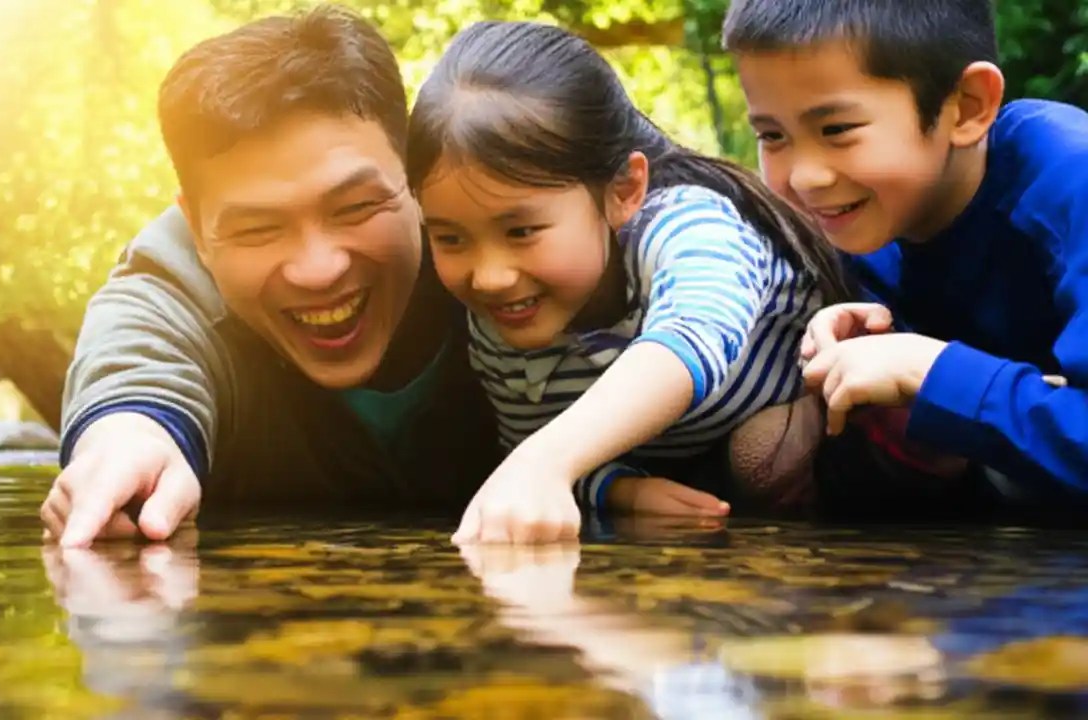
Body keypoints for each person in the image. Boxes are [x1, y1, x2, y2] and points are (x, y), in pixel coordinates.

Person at [42, 6, 732, 547]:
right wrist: (130, 434)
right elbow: (140, 335)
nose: (319, 269)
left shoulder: (500, 248)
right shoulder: (178, 276)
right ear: (196, 227)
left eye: (357, 206)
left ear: (417, 175)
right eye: (257, 228)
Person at [404, 21, 851, 544]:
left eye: (521, 231)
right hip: (679, 476)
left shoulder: (689, 225)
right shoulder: (498, 321)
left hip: (805, 436)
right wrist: (618, 491)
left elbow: (692, 336)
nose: (491, 277)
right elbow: (530, 445)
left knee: (763, 455)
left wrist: (546, 462)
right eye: (451, 239)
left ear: (623, 189)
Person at [723, 0, 1088, 507]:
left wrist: (931, 371)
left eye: (836, 130)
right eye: (772, 135)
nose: (804, 176)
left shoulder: (1070, 178)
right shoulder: (859, 235)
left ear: (966, 106)